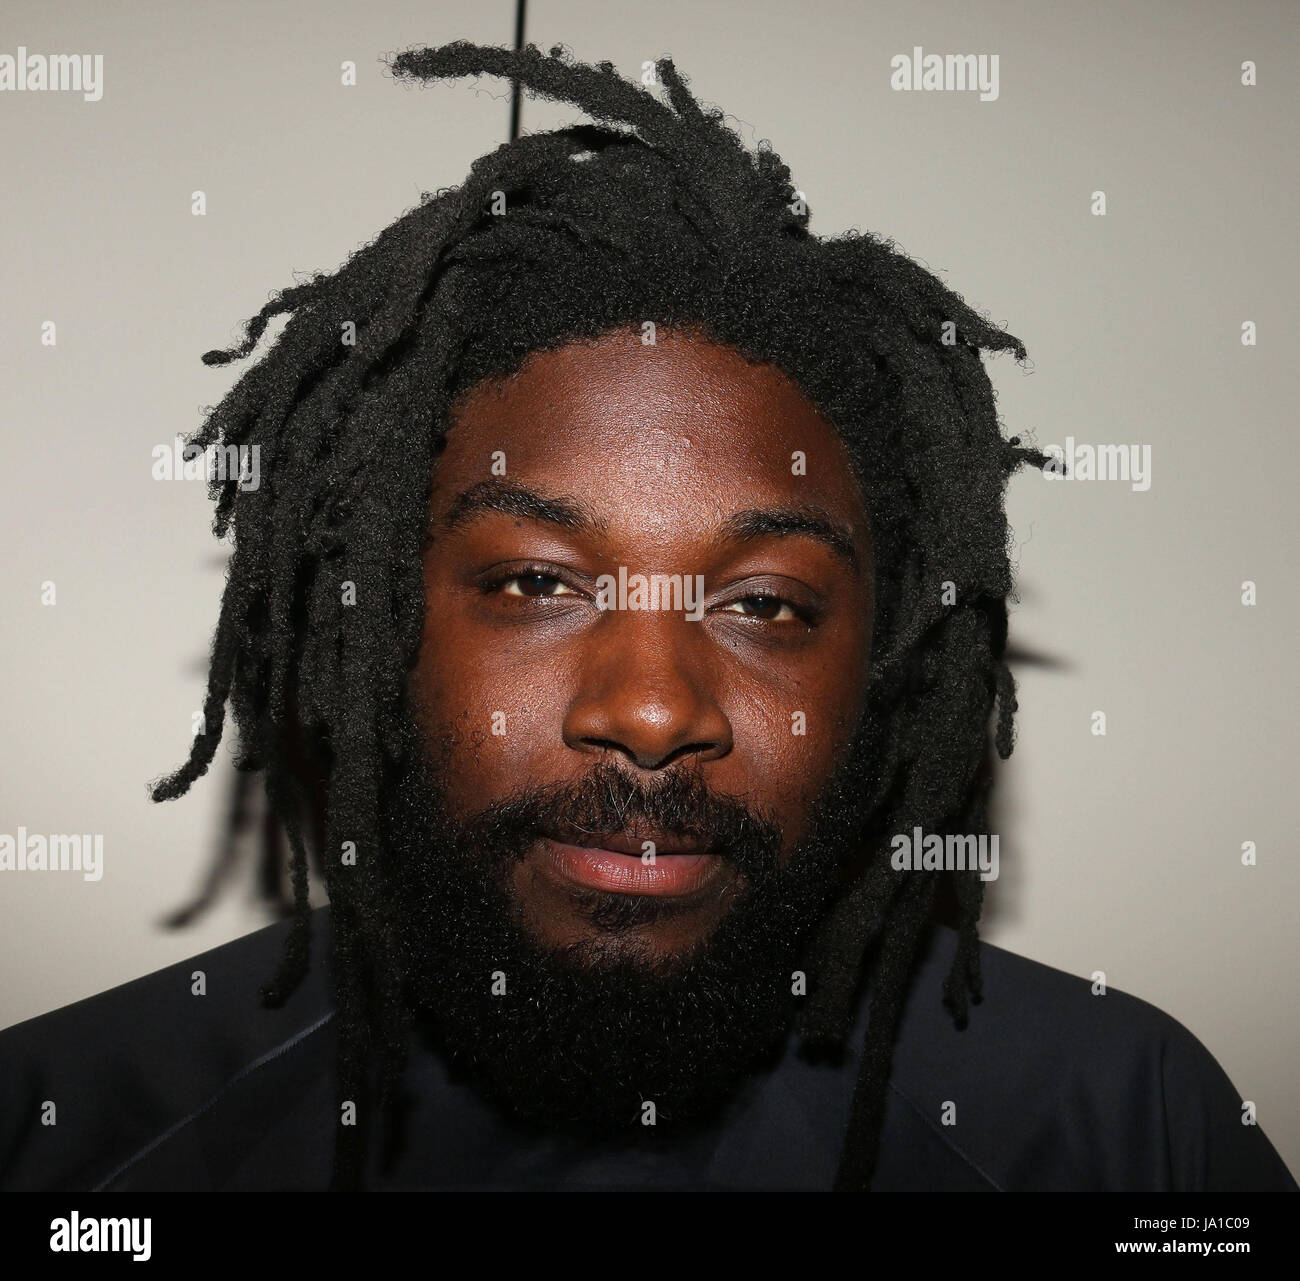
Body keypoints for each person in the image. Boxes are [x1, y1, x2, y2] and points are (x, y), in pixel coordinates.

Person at [0, 41, 1293, 1193]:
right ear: (377, 624)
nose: (655, 708)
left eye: (766, 603)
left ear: (884, 672)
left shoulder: (1122, 1131)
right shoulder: (69, 1136)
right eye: (537, 583)